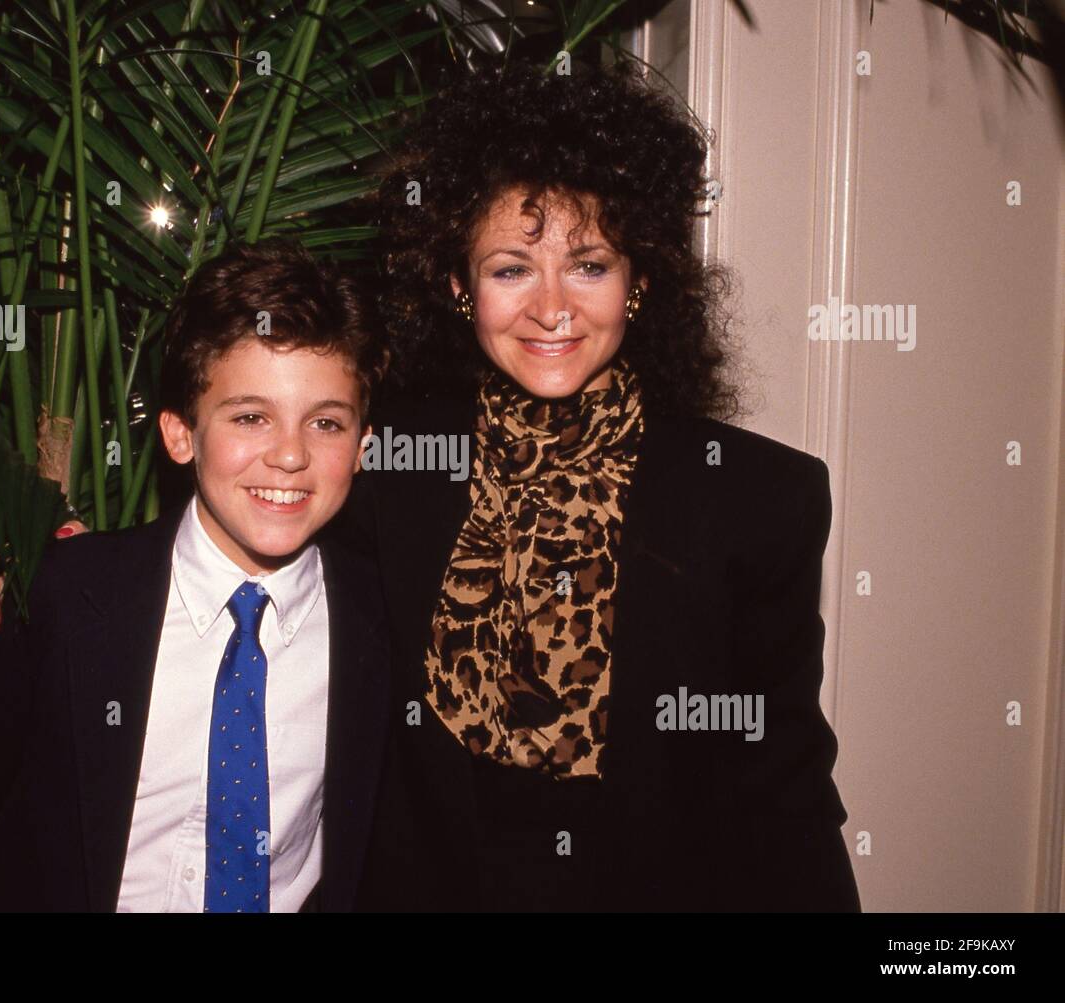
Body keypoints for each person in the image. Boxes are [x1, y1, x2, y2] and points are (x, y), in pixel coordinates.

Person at [329, 60, 862, 911]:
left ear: (640, 279)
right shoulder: (383, 467)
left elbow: (782, 789)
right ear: (458, 287)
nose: (551, 308)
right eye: (510, 269)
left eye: (589, 265)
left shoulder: (760, 500)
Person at [0, 238, 391, 912]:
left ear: (362, 447)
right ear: (180, 433)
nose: (291, 455)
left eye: (325, 422)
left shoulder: (380, 612)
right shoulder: (72, 595)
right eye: (250, 416)